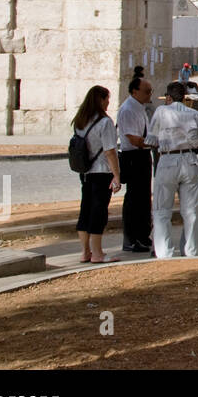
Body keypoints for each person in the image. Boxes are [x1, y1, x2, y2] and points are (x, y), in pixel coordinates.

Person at [147, 81, 198, 257]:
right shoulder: (194, 113)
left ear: (168, 97)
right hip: (190, 160)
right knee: (192, 211)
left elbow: (151, 138)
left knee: (161, 210)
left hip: (167, 159)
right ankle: (190, 250)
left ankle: (164, 251)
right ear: (184, 97)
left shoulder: (161, 111)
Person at [71, 85, 122, 263]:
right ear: (100, 100)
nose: (109, 102)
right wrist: (117, 175)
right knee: (99, 212)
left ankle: (85, 252)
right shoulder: (105, 122)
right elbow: (110, 151)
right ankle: (98, 253)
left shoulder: (80, 120)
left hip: (85, 172)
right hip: (101, 172)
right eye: (107, 98)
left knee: (85, 210)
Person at [116, 76, 154, 253]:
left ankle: (142, 235)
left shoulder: (140, 108)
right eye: (146, 91)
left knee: (143, 198)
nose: (149, 94)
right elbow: (133, 138)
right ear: (135, 91)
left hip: (143, 155)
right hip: (133, 156)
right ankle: (132, 238)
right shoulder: (128, 109)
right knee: (134, 199)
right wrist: (154, 142)